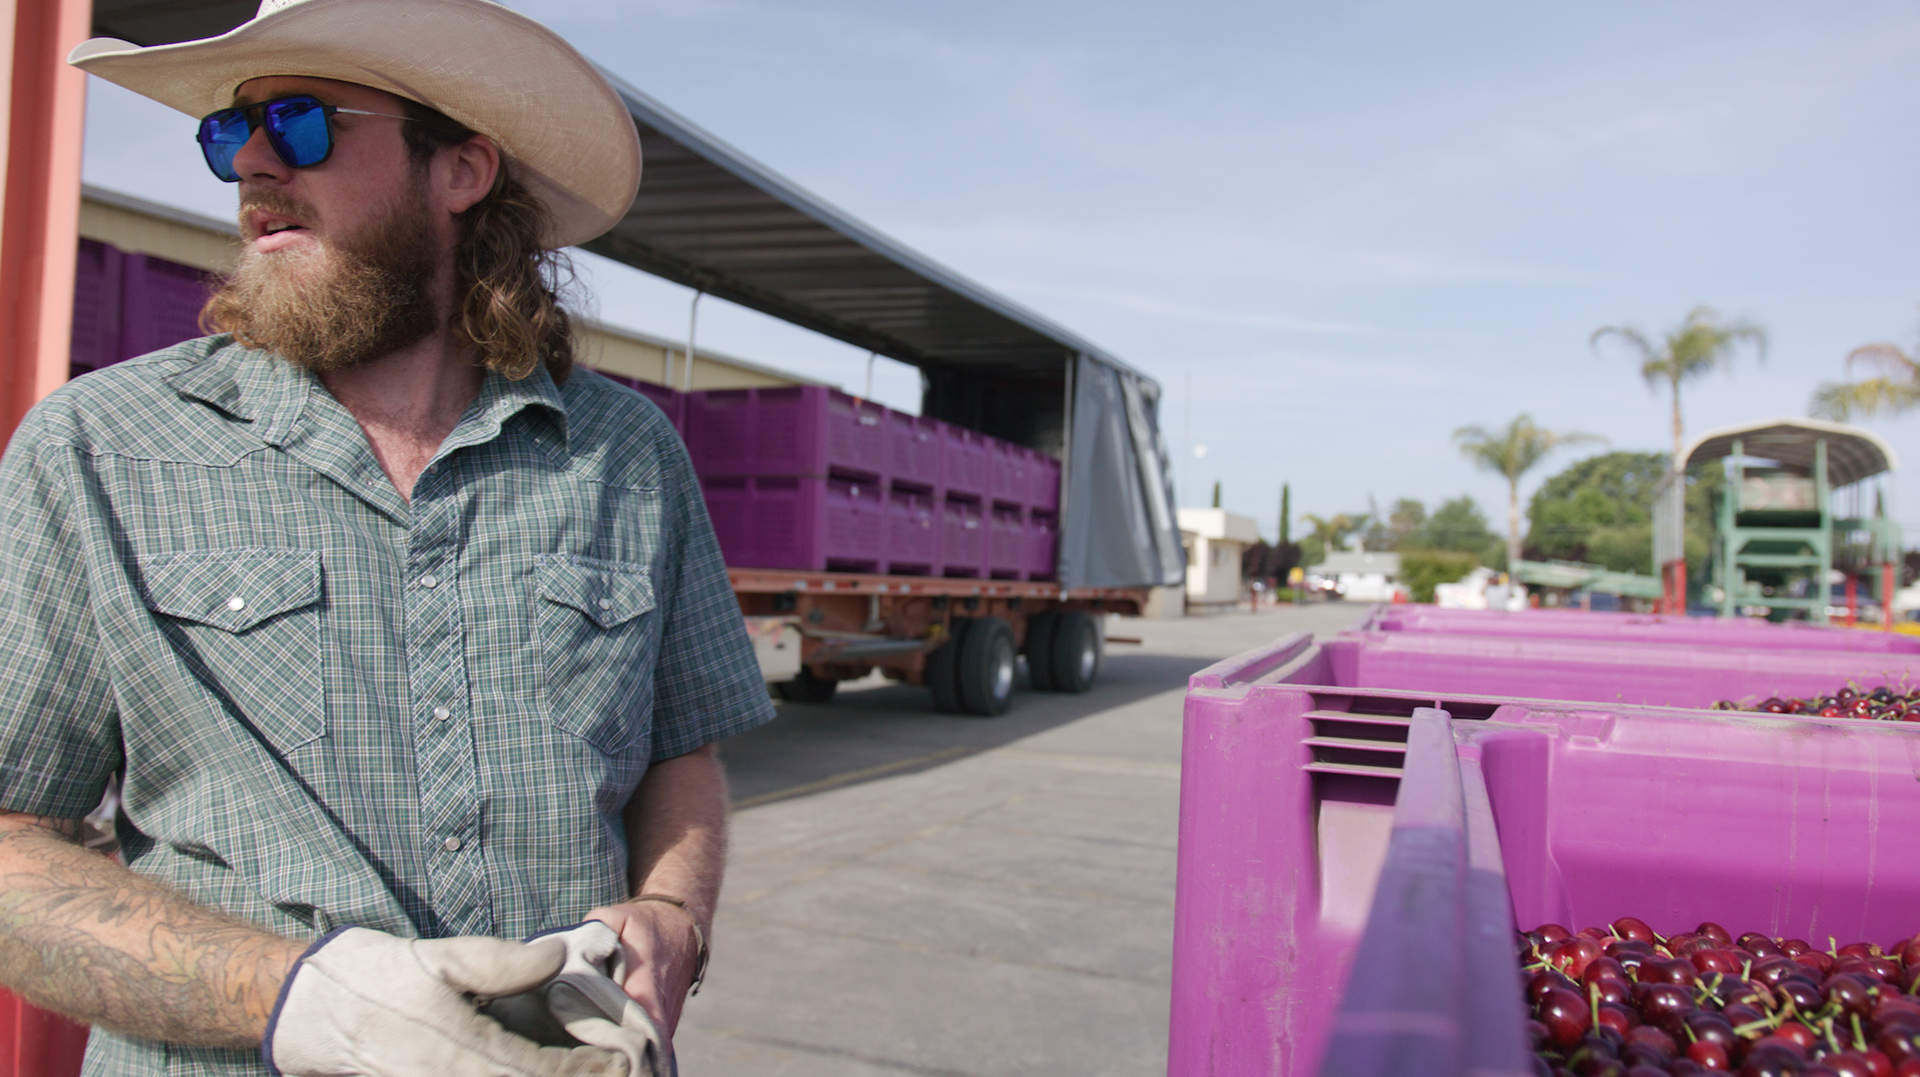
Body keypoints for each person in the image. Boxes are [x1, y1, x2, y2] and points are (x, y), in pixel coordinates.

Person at [0, 0, 775, 1073]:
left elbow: (681, 754)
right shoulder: (99, 449)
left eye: (304, 123)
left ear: (460, 172)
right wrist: (296, 998)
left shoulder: (625, 454)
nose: (254, 167)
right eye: (231, 133)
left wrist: (671, 919)